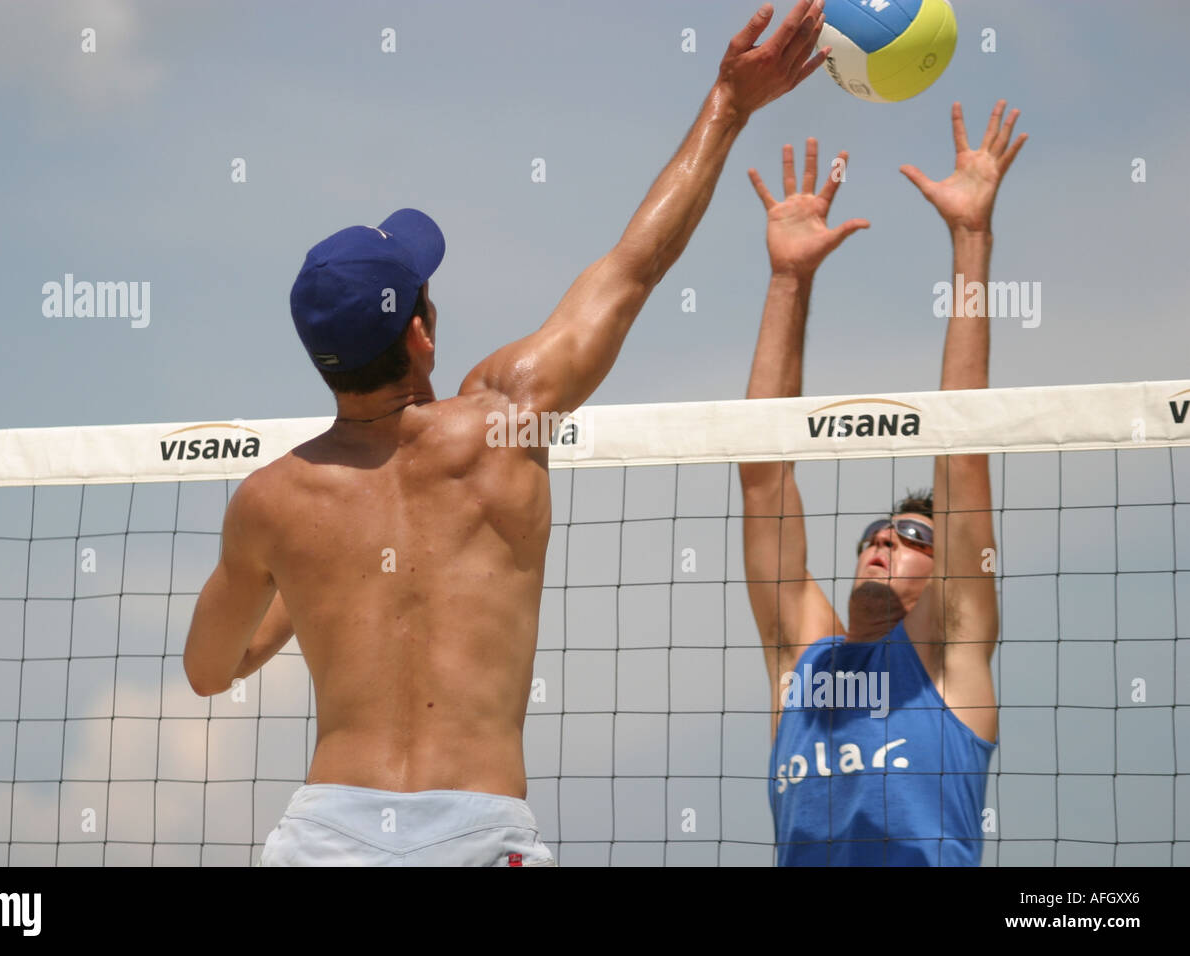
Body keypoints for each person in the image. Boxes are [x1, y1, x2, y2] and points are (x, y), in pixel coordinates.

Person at [183, 1, 831, 866]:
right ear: (420, 332)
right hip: (477, 829)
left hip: (325, 836)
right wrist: (728, 103)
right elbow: (634, 269)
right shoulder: (506, 420)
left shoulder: (272, 502)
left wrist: (313, 581)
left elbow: (207, 671)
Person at [740, 101, 1027, 864]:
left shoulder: (946, 656)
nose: (882, 542)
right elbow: (761, 471)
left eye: (912, 538)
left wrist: (971, 237)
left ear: (944, 577)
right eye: (876, 534)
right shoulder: (806, 662)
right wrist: (788, 281)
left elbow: (961, 452)